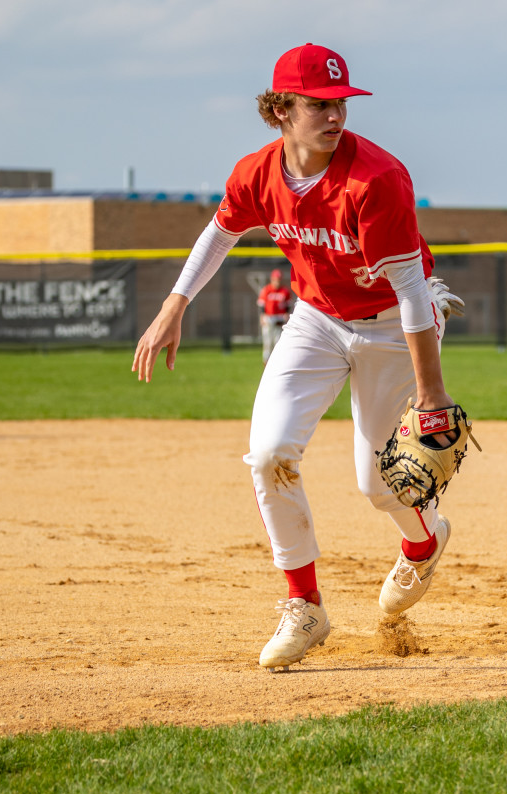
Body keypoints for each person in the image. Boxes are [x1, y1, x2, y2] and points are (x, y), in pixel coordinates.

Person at [132, 43, 463, 670]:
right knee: (270, 454)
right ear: (281, 109)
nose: (335, 115)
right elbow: (218, 234)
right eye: (318, 104)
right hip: (315, 318)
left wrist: (432, 391)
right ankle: (304, 606)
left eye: (340, 102)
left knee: (382, 485)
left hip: (393, 324)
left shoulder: (376, 180)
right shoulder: (257, 173)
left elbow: (413, 291)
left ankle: (422, 543)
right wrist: (173, 307)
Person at [257, 267, 294, 364]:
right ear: (272, 279)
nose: (277, 282)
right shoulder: (266, 290)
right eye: (275, 279)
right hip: (268, 317)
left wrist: (286, 315)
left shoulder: (284, 291)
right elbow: (262, 305)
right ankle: (266, 361)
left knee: (278, 341)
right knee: (268, 342)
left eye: (278, 279)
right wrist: (262, 317)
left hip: (279, 317)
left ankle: (277, 362)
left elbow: (288, 305)